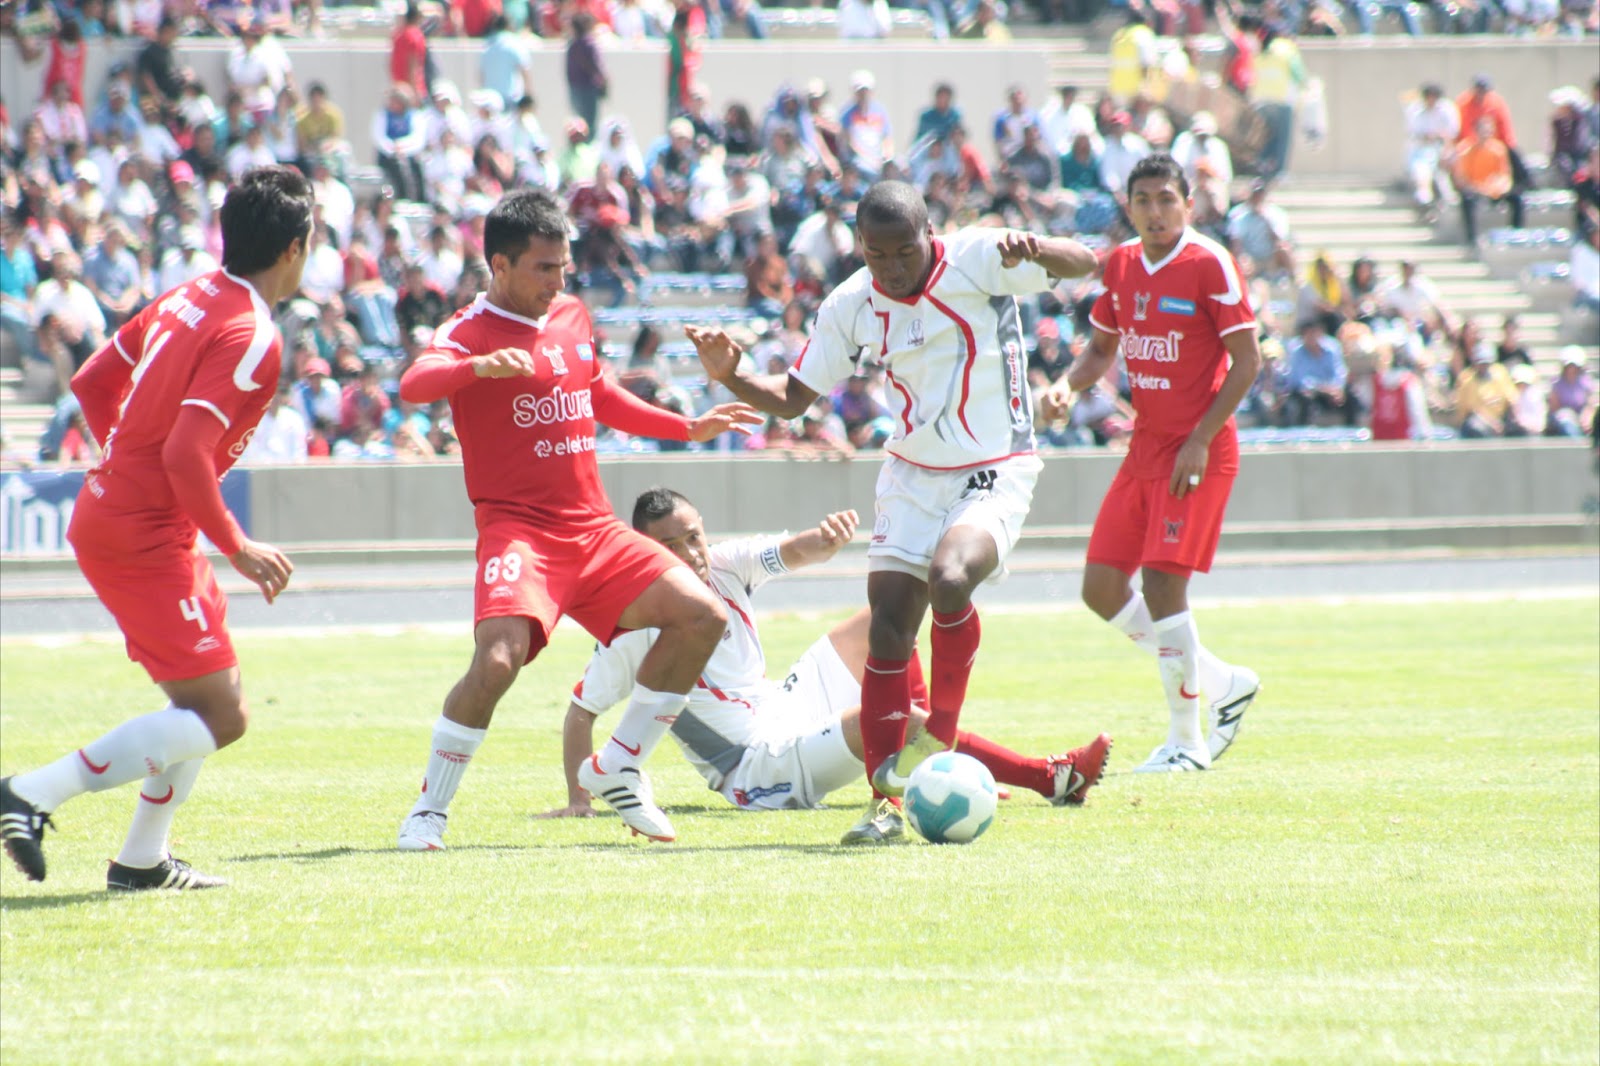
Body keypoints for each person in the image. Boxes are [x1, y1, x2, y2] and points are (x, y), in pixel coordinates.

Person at [685, 180, 1098, 843]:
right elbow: (793, 398)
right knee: (887, 631)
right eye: (876, 255)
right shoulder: (851, 303)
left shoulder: (979, 256)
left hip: (994, 466)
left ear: (928, 234)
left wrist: (1043, 246)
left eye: (903, 251)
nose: (892, 268)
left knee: (952, 577)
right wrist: (730, 375)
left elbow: (1087, 265)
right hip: (910, 475)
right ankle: (885, 806)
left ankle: (935, 735)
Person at [392, 188, 760, 851]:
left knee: (704, 615)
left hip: (593, 529)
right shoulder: (466, 332)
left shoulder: (571, 316)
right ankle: (428, 812)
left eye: (563, 267)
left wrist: (685, 427)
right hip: (520, 533)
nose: (558, 282)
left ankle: (619, 764)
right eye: (543, 268)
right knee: (497, 661)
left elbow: (598, 396)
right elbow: (414, 383)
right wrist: (474, 368)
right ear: (499, 267)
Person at [0, 167, 314, 890]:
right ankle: (31, 793)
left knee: (206, 699)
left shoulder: (191, 293)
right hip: (142, 529)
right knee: (225, 716)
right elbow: (184, 452)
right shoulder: (252, 332)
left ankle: (143, 861)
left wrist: (128, 465)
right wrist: (237, 544)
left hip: (123, 512)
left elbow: (93, 384)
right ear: (294, 250)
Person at [543, 490, 1113, 823]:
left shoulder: (723, 563)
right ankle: (1054, 779)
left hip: (782, 707)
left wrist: (827, 538)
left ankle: (923, 768)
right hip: (755, 767)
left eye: (694, 536)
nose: (691, 553)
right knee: (904, 723)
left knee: (886, 621)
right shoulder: (635, 622)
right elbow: (580, 711)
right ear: (643, 549)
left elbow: (795, 550)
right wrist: (577, 798)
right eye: (671, 546)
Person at [1041, 154, 1263, 774]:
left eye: (1167, 199)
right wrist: (1067, 386)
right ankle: (1221, 680)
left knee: (1166, 584)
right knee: (1101, 588)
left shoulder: (1208, 263)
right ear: (1129, 207)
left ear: (1187, 205)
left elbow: (1247, 362)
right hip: (1145, 448)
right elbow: (1100, 352)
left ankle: (1186, 741)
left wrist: (1198, 439)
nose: (1156, 211)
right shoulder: (1122, 266)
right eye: (1143, 200)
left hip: (1199, 448)